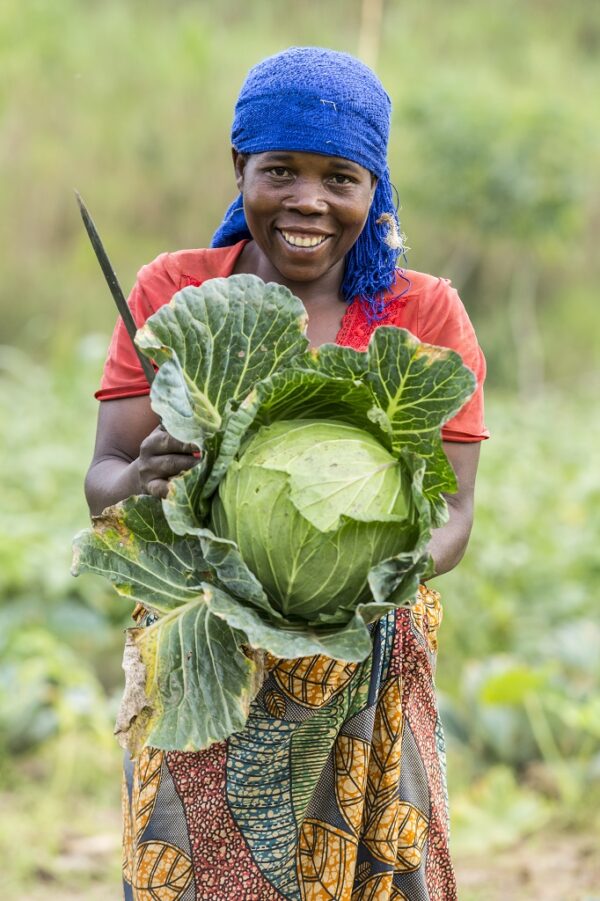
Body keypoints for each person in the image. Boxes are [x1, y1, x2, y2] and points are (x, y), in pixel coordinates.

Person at [85, 47, 488, 901]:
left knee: (373, 870)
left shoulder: (417, 312)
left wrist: (366, 577)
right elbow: (104, 478)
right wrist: (144, 478)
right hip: (203, 638)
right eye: (280, 171)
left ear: (375, 187)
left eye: (340, 177)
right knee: (187, 870)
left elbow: (452, 515)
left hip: (365, 646)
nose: (308, 201)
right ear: (240, 170)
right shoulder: (179, 291)